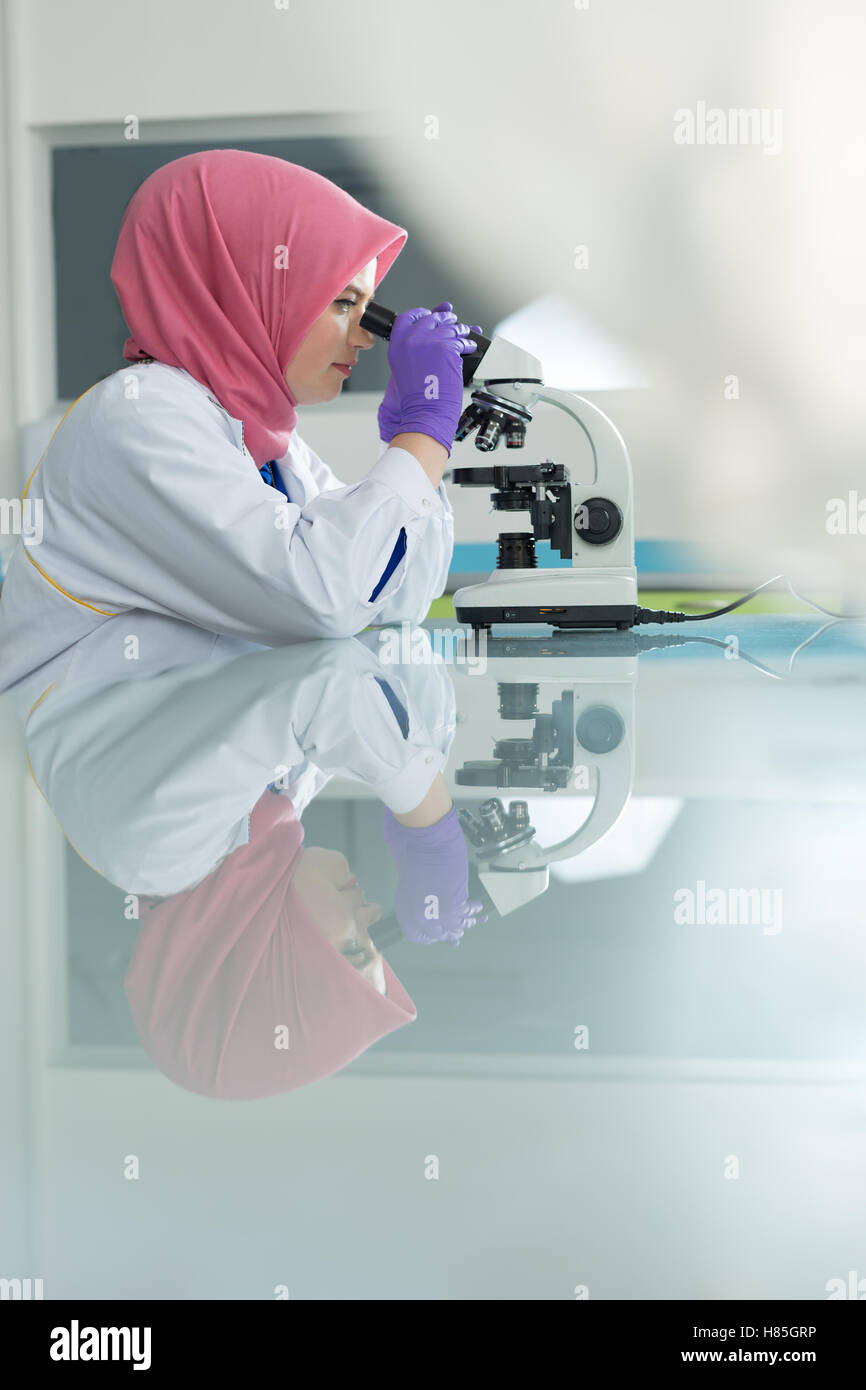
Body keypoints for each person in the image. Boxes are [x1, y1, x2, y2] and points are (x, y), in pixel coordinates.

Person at [0, 148, 480, 693]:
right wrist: (423, 431)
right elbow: (322, 598)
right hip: (73, 754)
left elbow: (394, 597)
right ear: (247, 287)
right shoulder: (138, 418)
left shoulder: (267, 444)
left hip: (187, 750)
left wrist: (408, 443)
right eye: (344, 303)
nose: (368, 334)